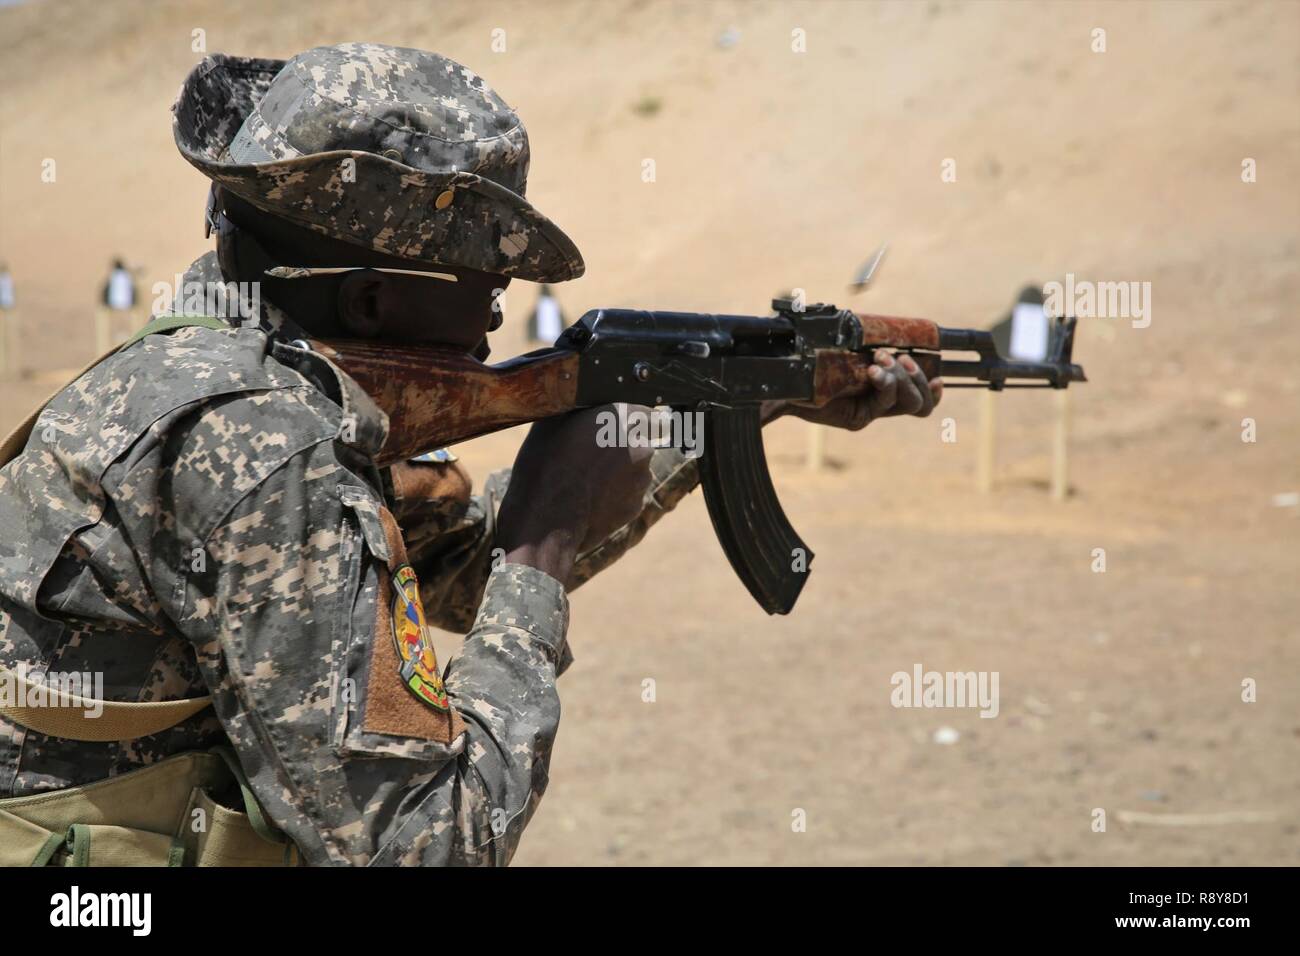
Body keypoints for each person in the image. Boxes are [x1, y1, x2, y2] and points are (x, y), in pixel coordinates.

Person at [0, 43, 940, 866]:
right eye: (485, 281)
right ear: (371, 302)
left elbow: (446, 578)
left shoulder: (220, 372)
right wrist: (545, 547)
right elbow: (430, 842)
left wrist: (738, 406)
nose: (499, 313)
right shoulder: (262, 450)